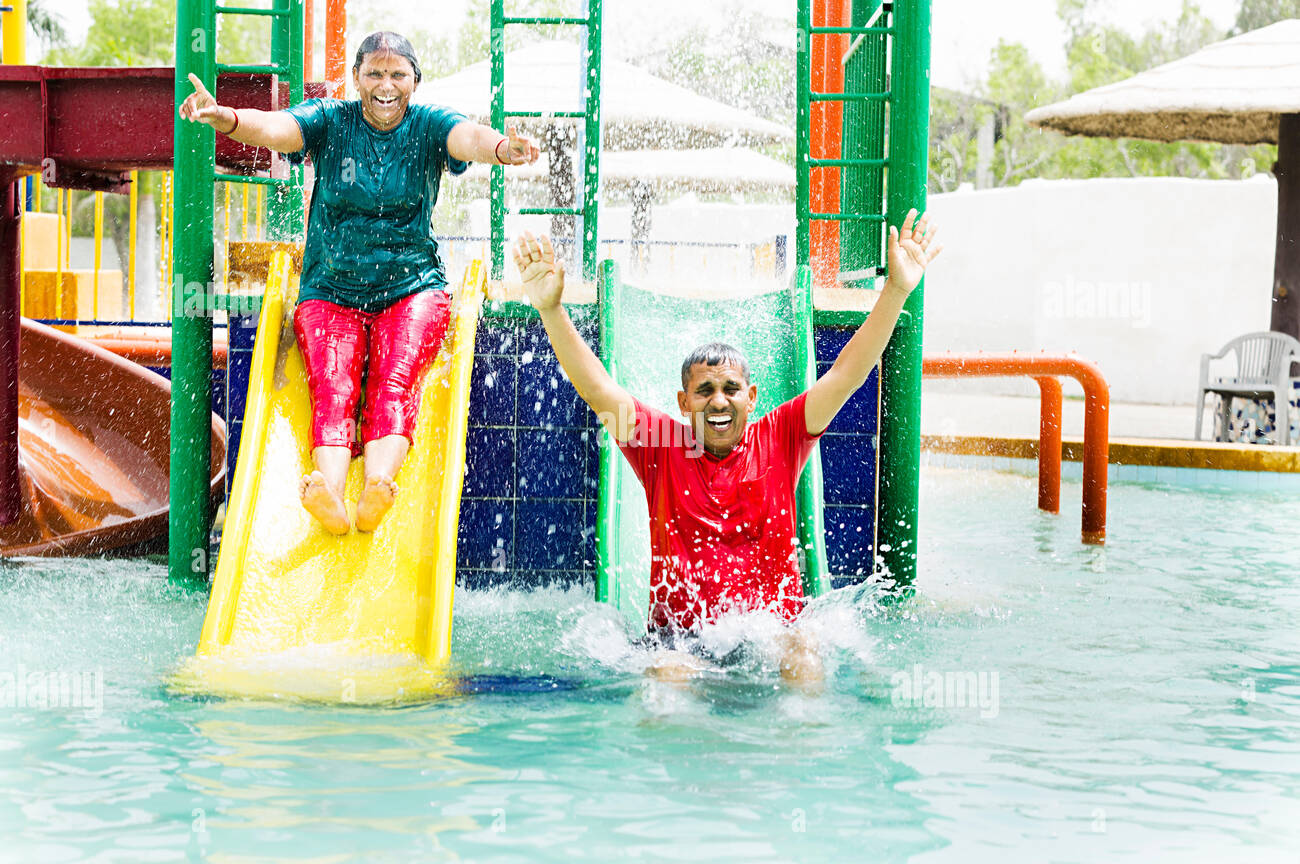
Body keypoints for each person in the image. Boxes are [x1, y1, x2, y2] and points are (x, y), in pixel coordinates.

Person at [512, 210, 941, 684]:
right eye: (705, 390)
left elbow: (846, 374)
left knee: (803, 656)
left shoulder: (783, 436)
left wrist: (897, 290)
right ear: (683, 401)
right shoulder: (659, 446)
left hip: (770, 634)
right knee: (666, 675)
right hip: (681, 639)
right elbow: (598, 391)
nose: (719, 400)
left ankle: (805, 746)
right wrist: (550, 309)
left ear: (751, 398)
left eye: (731, 388)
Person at [179, 31, 540, 534]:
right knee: (332, 383)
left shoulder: (428, 124)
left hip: (411, 288)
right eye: (374, 73)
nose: (385, 85)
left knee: (394, 378)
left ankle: (376, 485)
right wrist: (230, 119)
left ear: (415, 79)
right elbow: (280, 129)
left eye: (397, 74)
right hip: (331, 290)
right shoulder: (331, 120)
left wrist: (502, 148)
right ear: (356, 79)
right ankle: (326, 491)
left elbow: (468, 138)